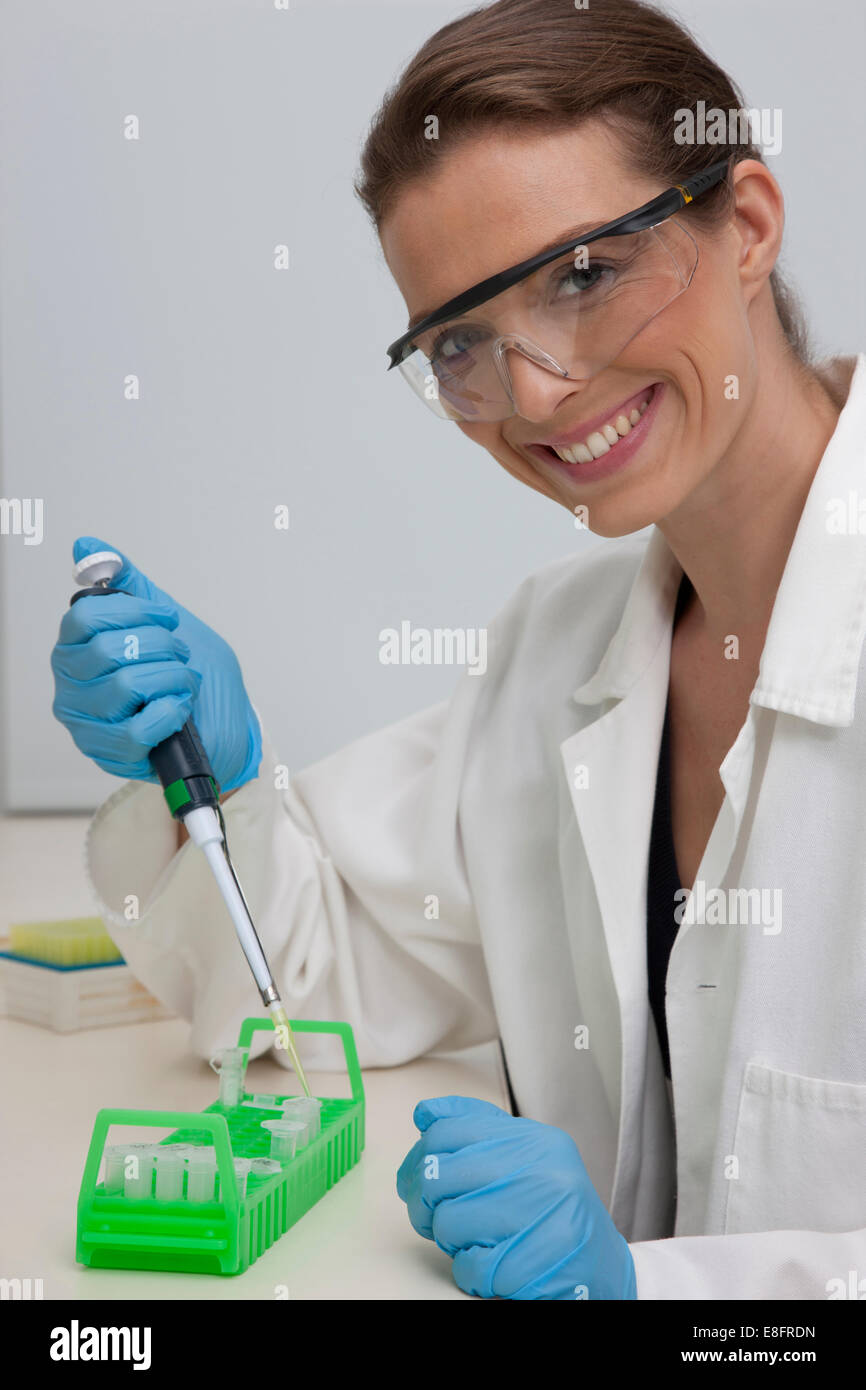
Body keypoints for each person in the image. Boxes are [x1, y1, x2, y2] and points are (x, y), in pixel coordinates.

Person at [51, 0, 865, 1299]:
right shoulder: (563, 652)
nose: (534, 390)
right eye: (461, 343)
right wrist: (206, 769)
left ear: (747, 225)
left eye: (584, 272)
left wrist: (658, 1290)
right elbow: (302, 980)